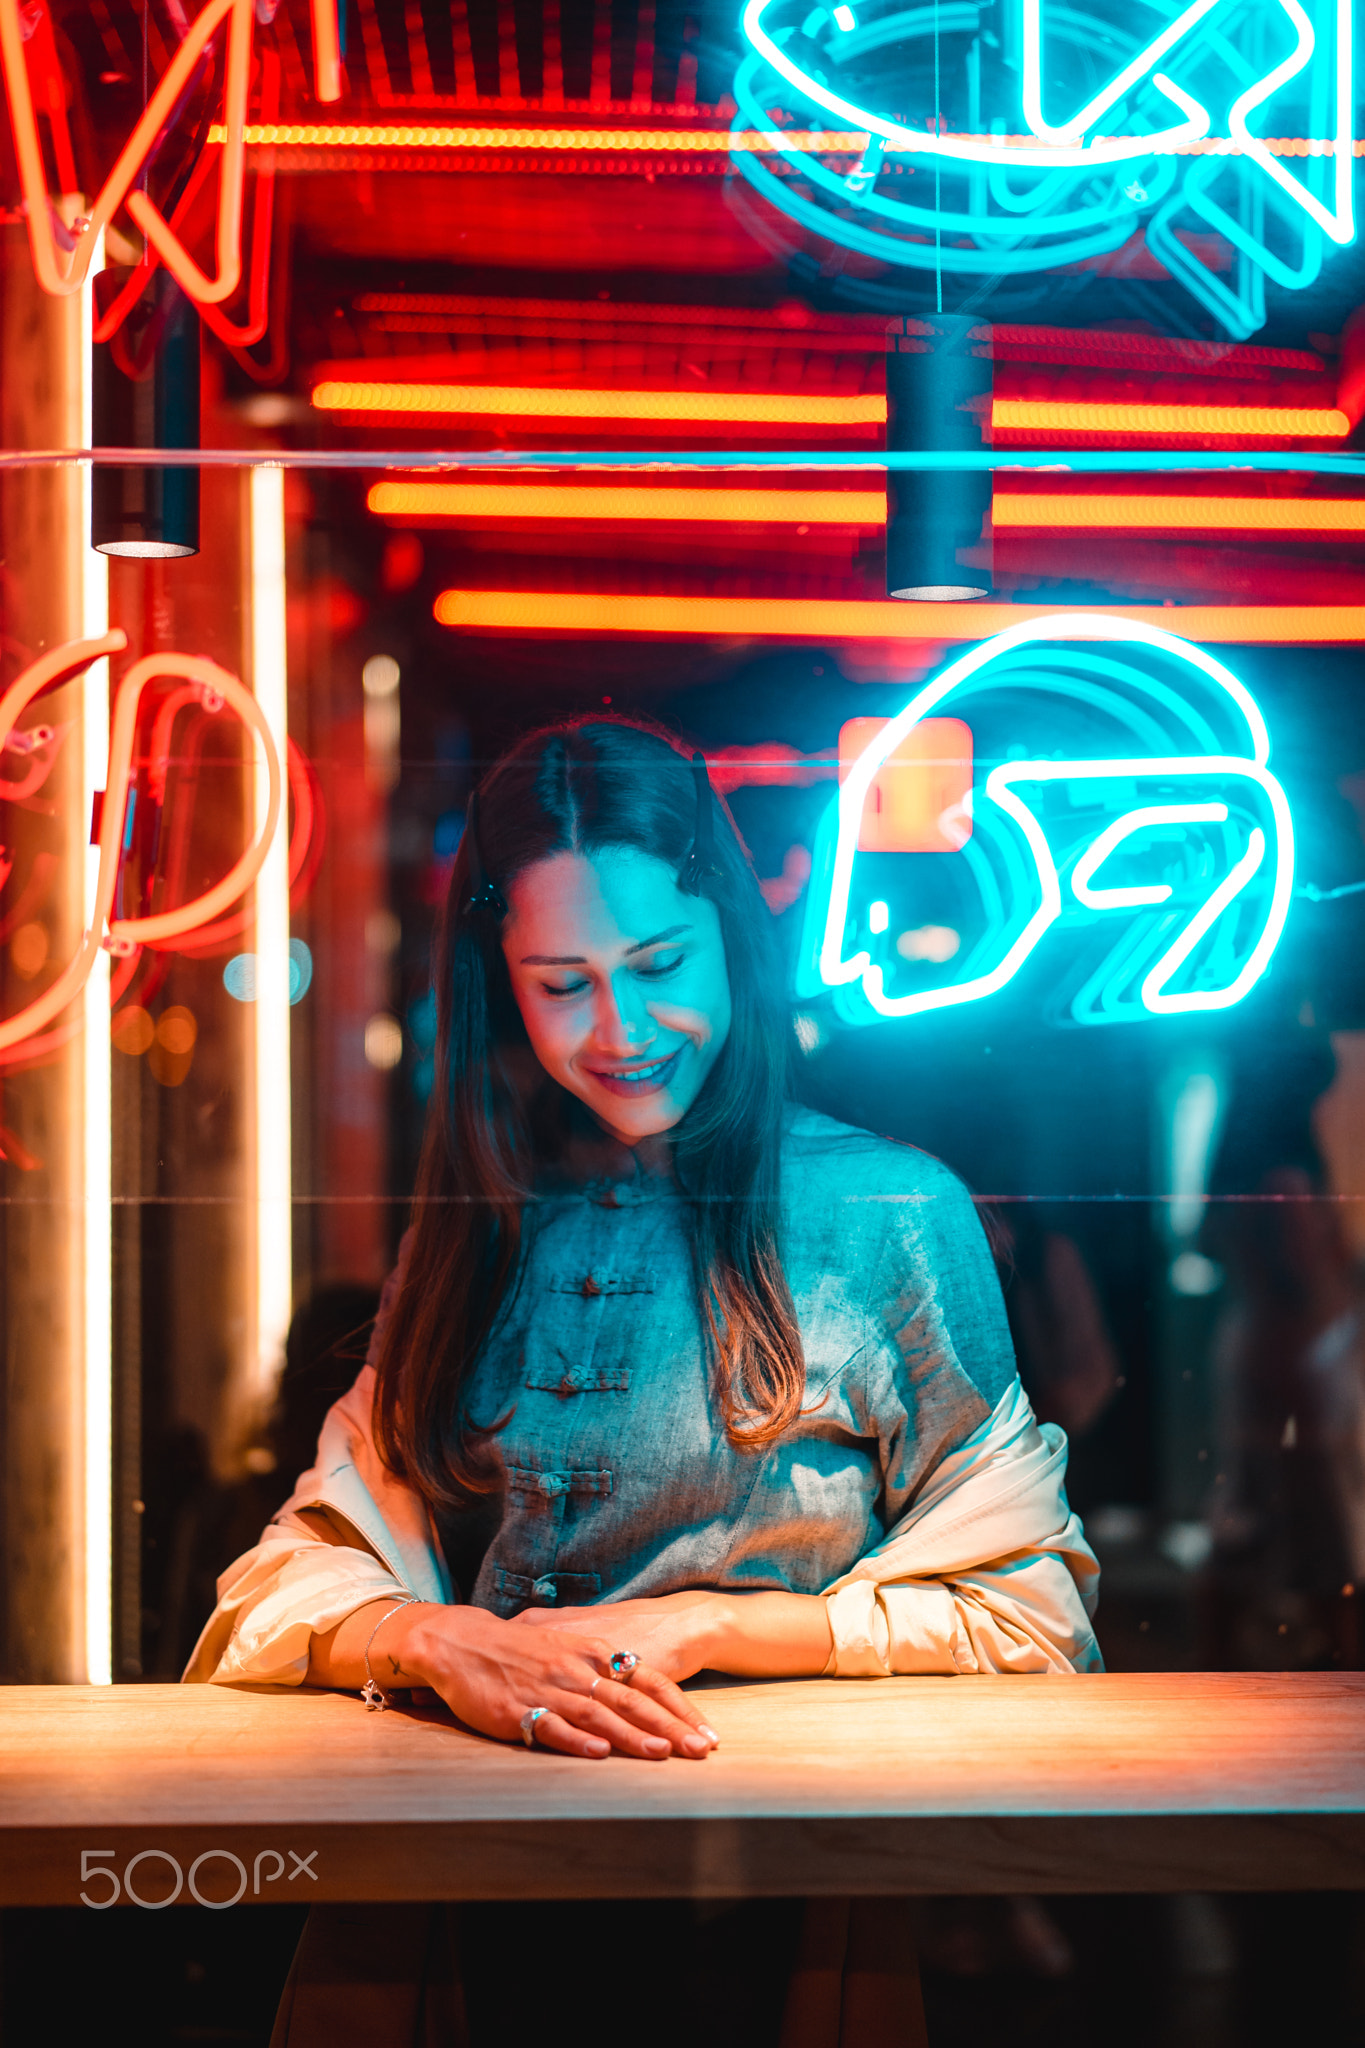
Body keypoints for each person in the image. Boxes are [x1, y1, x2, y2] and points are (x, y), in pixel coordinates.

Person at [185, 719, 1100, 2043]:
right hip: (468, 1910)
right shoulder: (469, 1226)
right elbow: (295, 1577)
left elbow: (1030, 1616)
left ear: (732, 931)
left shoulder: (886, 1208)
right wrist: (433, 1638)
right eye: (560, 984)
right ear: (499, 982)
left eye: (659, 964)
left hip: (773, 1911)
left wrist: (713, 1627)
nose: (619, 1029)